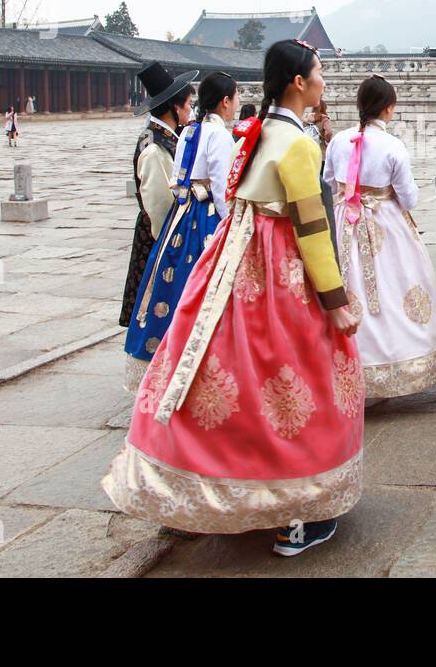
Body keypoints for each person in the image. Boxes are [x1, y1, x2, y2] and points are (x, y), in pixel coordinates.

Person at [103, 39, 363, 556]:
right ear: (298, 82)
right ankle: (304, 506)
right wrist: (335, 299)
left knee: (224, 373)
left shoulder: (256, 128)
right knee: (303, 372)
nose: (323, 81)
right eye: (319, 72)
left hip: (231, 260)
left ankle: (202, 486)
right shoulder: (300, 144)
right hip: (276, 263)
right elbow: (311, 228)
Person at [325, 76, 436, 398]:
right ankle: (392, 366)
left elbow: (328, 181)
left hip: (343, 221)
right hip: (383, 221)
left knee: (349, 288)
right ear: (388, 108)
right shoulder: (393, 146)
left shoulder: (339, 140)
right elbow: (409, 199)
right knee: (392, 288)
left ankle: (345, 370)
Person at [122, 72, 237, 391]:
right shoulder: (218, 135)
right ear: (225, 102)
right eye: (235, 97)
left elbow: (178, 179)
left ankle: (163, 359)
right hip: (206, 216)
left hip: (182, 216)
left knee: (171, 287)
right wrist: (231, 223)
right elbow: (220, 186)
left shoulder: (188, 132)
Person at [119, 62, 196, 334]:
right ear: (173, 107)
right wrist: (172, 244)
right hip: (159, 238)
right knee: (155, 308)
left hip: (169, 234)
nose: (191, 110)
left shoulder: (169, 138)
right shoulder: (154, 148)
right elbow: (159, 206)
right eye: (188, 104)